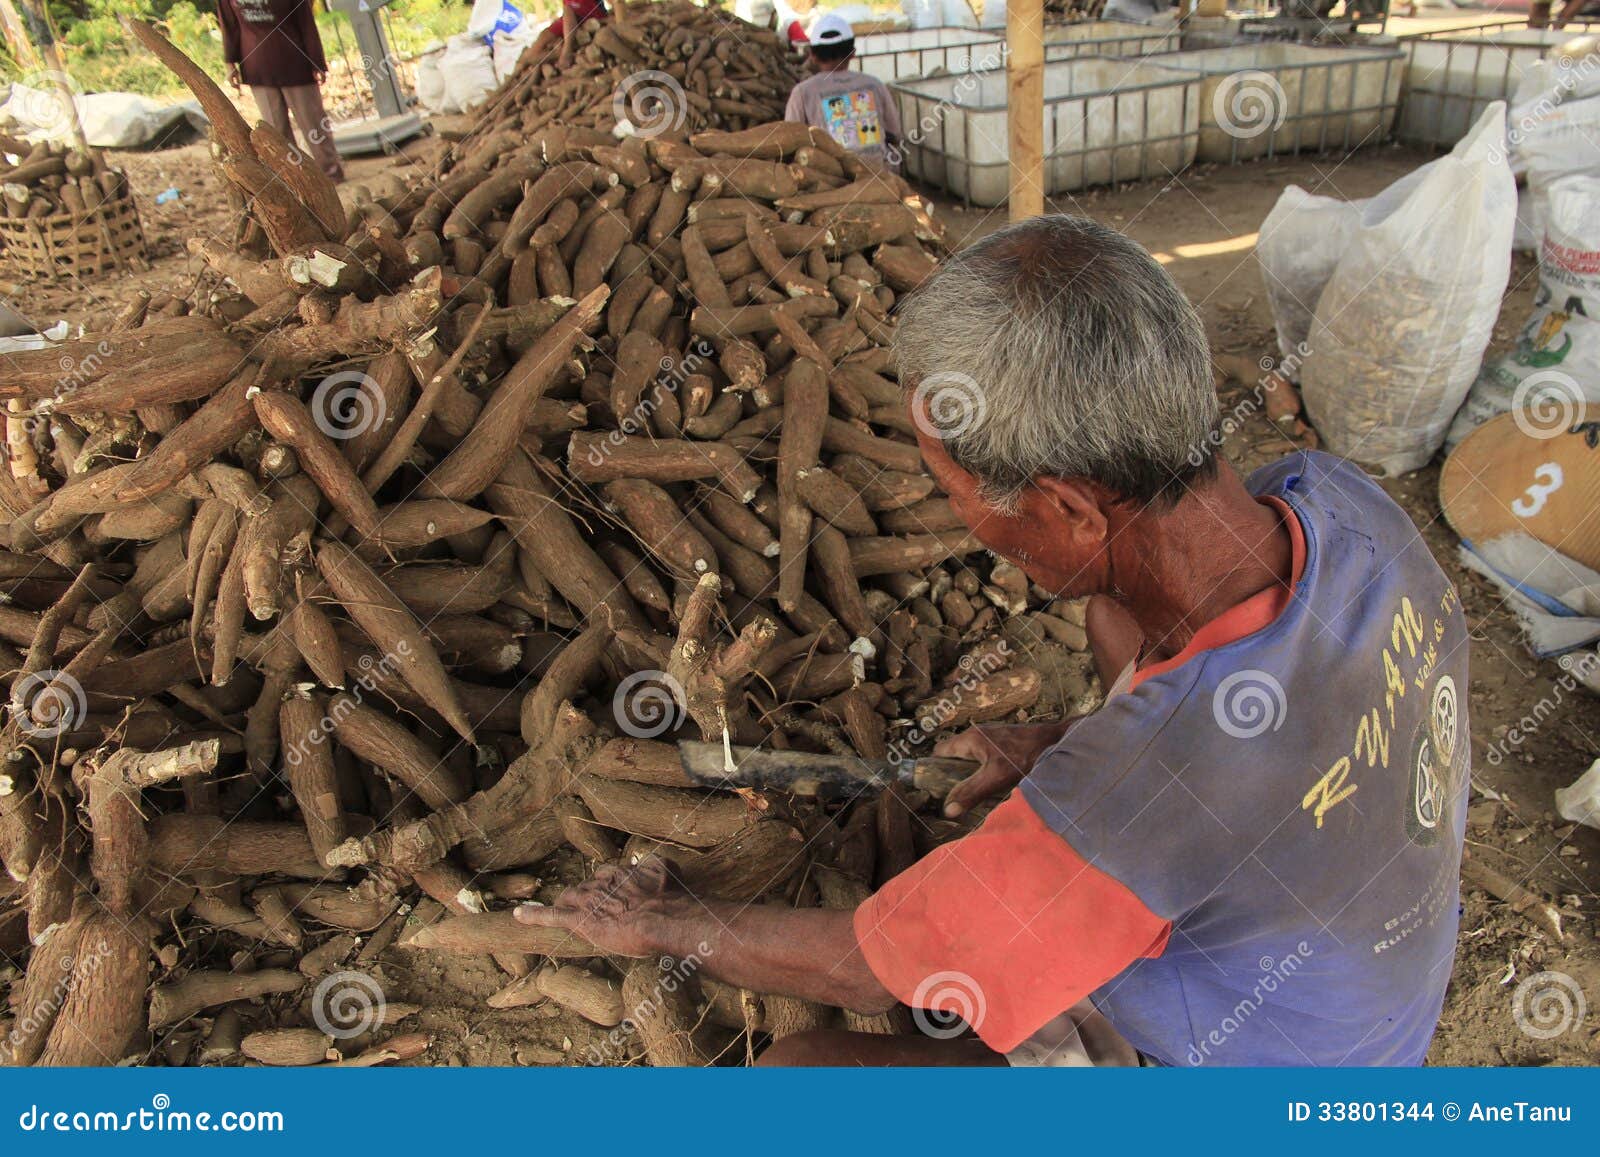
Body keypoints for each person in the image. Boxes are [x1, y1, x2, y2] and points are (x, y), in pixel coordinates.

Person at [517, 215, 1472, 1068]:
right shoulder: (1340, 500)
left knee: (806, 1074)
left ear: (1064, 507)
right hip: (1367, 990)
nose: (956, 513)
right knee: (1115, 620)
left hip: (1252, 1072)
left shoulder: (1137, 800)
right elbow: (1244, 754)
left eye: (954, 490)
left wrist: (664, 921)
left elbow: (867, 968)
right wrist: (1060, 742)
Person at [217, 0, 344, 182]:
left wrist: (317, 60)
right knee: (276, 131)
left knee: (313, 124)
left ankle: (331, 173)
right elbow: (229, 27)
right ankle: (295, 180)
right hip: (257, 67)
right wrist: (230, 64)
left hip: (295, 62)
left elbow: (305, 22)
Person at [783, 14, 901, 169]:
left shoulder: (802, 92)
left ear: (812, 56)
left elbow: (789, 141)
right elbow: (895, 134)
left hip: (831, 179)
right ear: (853, 52)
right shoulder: (875, 84)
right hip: (879, 175)